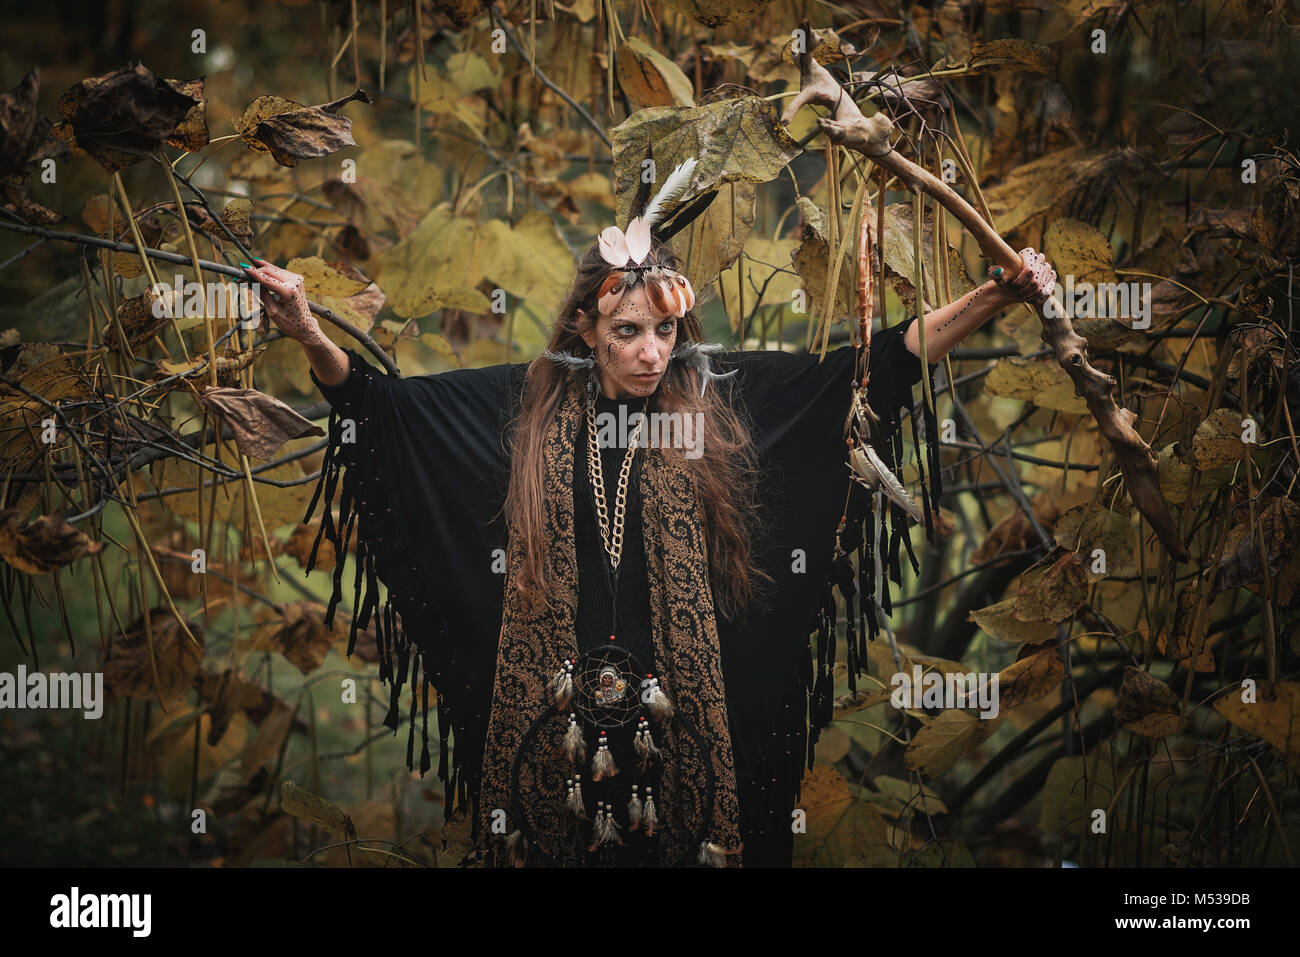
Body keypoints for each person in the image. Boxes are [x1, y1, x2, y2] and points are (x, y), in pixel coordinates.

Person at [245, 178, 1054, 867]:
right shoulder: (520, 407)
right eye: (627, 332)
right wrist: (310, 330)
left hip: (686, 739)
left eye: (664, 331)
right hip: (557, 736)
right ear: (587, 331)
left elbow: (873, 366)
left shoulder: (719, 403)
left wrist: (998, 292)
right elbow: (381, 408)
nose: (650, 354)